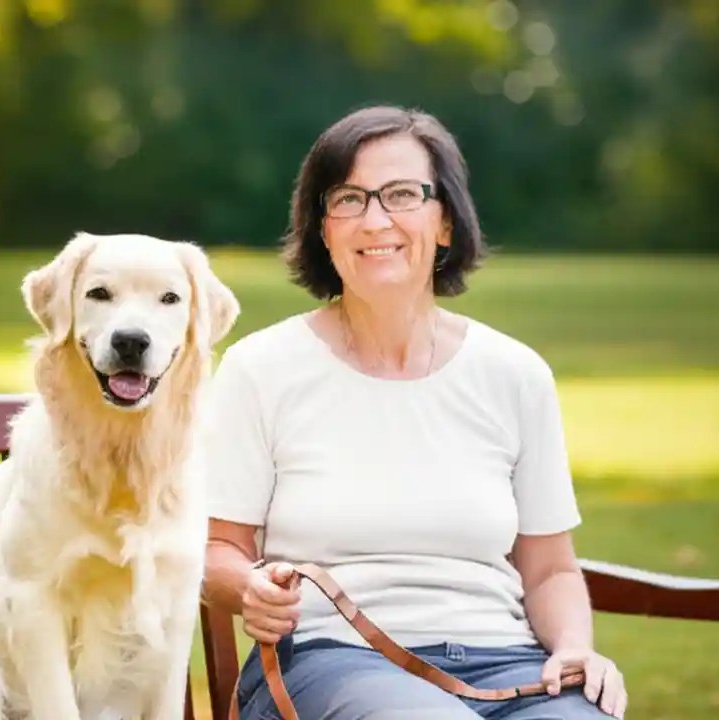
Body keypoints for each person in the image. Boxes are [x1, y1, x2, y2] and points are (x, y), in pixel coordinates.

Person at [201, 105, 628, 719]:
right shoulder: (260, 368)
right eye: (348, 199)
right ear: (323, 229)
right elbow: (218, 551)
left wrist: (574, 649)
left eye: (401, 194)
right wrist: (247, 588)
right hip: (330, 658)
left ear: (446, 221)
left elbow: (550, 570)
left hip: (506, 658)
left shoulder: (514, 374)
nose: (375, 220)